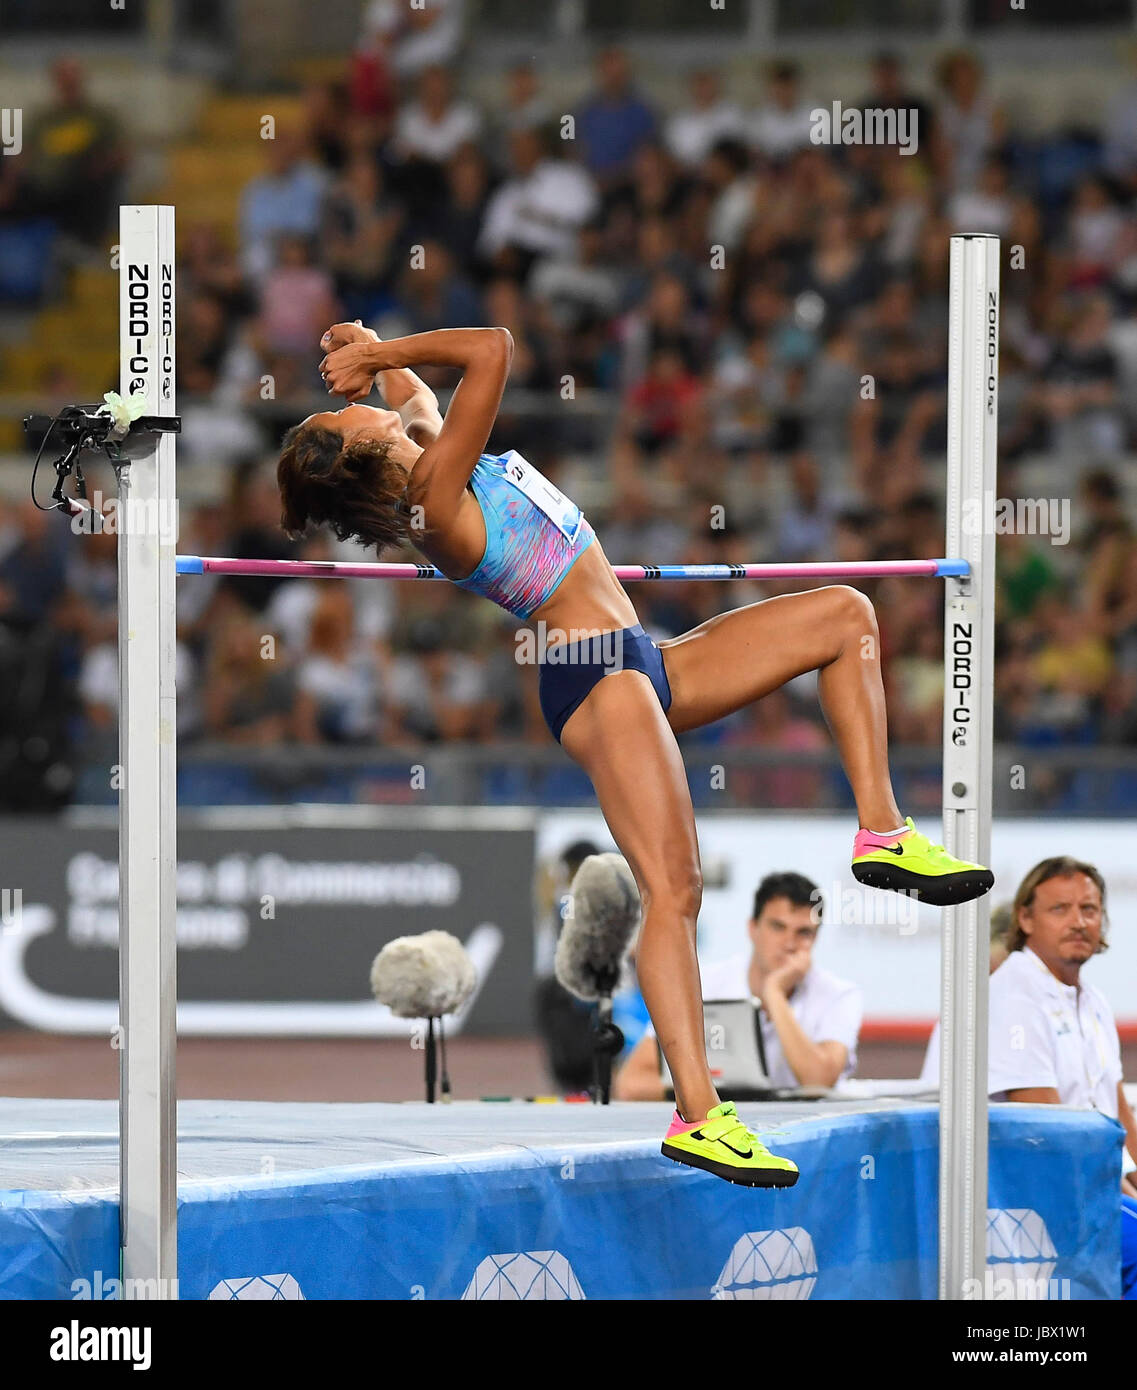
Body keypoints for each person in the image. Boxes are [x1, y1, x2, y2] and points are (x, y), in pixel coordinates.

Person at [276, 317, 993, 1188]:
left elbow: (420, 394)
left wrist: (374, 343)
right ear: (348, 455)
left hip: (644, 659)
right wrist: (385, 359)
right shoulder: (430, 496)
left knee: (845, 615)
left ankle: (881, 832)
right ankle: (699, 1114)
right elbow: (497, 347)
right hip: (590, 672)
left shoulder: (426, 447)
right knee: (673, 888)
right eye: (337, 416)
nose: (351, 404)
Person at [921, 858, 1137, 1299]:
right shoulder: (1014, 993)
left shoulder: (1092, 1001)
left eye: (1089, 910)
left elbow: (1119, 1111)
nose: (1078, 922)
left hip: (1087, 1184)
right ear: (1025, 918)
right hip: (1031, 1191)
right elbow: (1048, 1130)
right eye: (1060, 909)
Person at [614, 872, 862, 1100]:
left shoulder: (839, 996)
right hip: (722, 1131)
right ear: (753, 928)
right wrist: (716, 1094)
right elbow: (631, 1083)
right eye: (778, 927)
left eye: (804, 932)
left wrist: (774, 993)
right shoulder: (703, 986)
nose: (789, 943)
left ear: (816, 938)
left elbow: (818, 1082)